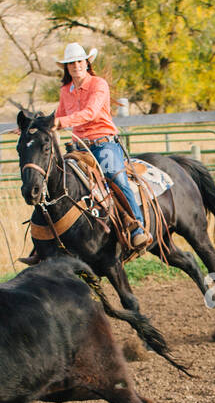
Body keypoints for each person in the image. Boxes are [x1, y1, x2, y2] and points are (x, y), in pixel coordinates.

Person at [53, 42, 152, 249]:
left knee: (116, 177)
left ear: (87, 62)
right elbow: (58, 115)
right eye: (71, 63)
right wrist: (35, 126)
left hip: (103, 143)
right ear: (67, 67)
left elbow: (91, 112)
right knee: (59, 183)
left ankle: (137, 227)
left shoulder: (98, 85)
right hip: (79, 147)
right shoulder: (65, 90)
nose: (76, 66)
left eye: (79, 61)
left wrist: (61, 122)